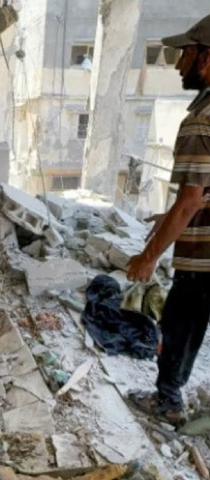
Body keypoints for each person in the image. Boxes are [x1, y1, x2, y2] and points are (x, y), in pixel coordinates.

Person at [125, 14, 210, 428]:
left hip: (202, 255)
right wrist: (178, 211)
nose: (178, 65)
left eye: (185, 54)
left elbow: (191, 199)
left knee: (180, 321)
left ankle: (168, 402)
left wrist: (148, 255)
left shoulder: (200, 120)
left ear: (206, 60)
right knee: (192, 324)